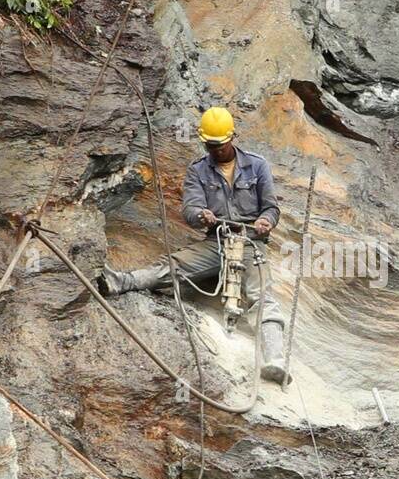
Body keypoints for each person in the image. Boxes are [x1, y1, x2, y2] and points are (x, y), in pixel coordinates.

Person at [98, 106, 290, 383]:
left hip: (250, 243)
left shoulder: (257, 165)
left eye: (220, 145)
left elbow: (271, 208)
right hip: (217, 241)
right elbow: (190, 209)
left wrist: (265, 220)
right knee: (171, 266)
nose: (215, 150)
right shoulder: (198, 171)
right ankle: (120, 282)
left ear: (232, 137)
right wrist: (202, 215)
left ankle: (274, 359)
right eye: (210, 145)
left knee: (262, 296)